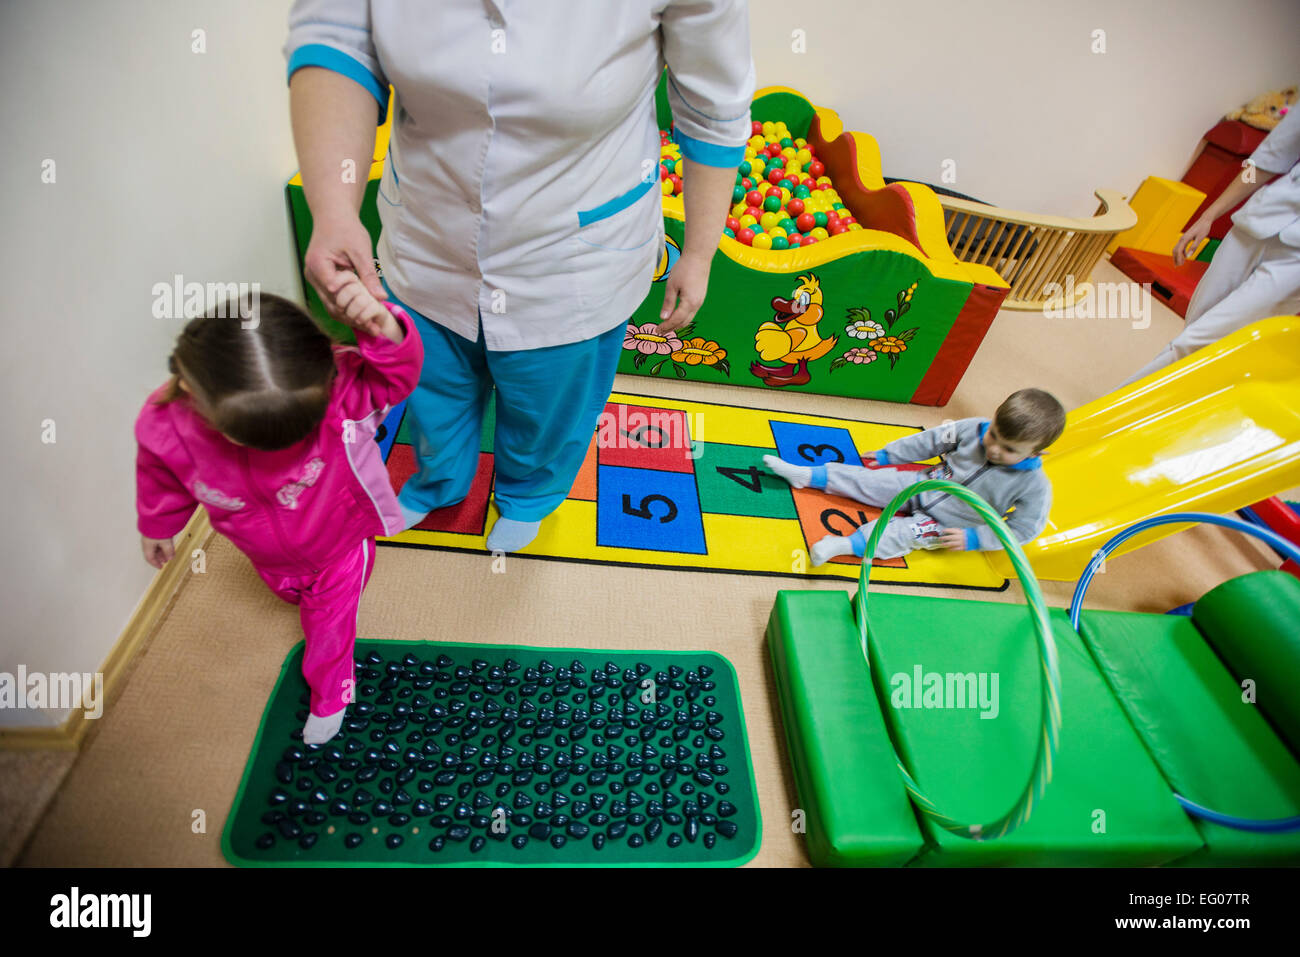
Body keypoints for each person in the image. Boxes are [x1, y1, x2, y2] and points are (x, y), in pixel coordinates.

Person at [283, 1, 755, 553]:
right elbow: (337, 45)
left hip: (574, 252)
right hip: (427, 235)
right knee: (434, 390)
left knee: (549, 408)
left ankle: (529, 493)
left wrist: (699, 252)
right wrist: (334, 211)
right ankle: (439, 481)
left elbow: (712, 108)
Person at [135, 281, 423, 744]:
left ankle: (333, 693)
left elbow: (396, 377)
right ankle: (303, 599)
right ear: (188, 387)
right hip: (267, 557)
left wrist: (381, 325)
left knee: (328, 624)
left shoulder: (338, 393)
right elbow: (160, 473)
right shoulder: (165, 422)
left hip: (339, 547)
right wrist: (158, 524)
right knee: (294, 597)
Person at [764, 389, 1066, 566]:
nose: (994, 449)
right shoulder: (972, 427)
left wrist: (975, 538)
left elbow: (1024, 529)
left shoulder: (1035, 487)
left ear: (1038, 453)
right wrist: (888, 456)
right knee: (871, 480)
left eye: (1009, 449)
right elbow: (931, 441)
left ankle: (841, 545)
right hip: (923, 484)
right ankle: (807, 475)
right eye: (994, 434)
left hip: (952, 525)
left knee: (902, 534)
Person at [1122, 102, 1300, 386]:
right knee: (1195, 328)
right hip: (1255, 224)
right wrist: (1208, 216)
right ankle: (1165, 407)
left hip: (1294, 261)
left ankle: (1109, 409)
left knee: (1197, 340)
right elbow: (1265, 162)